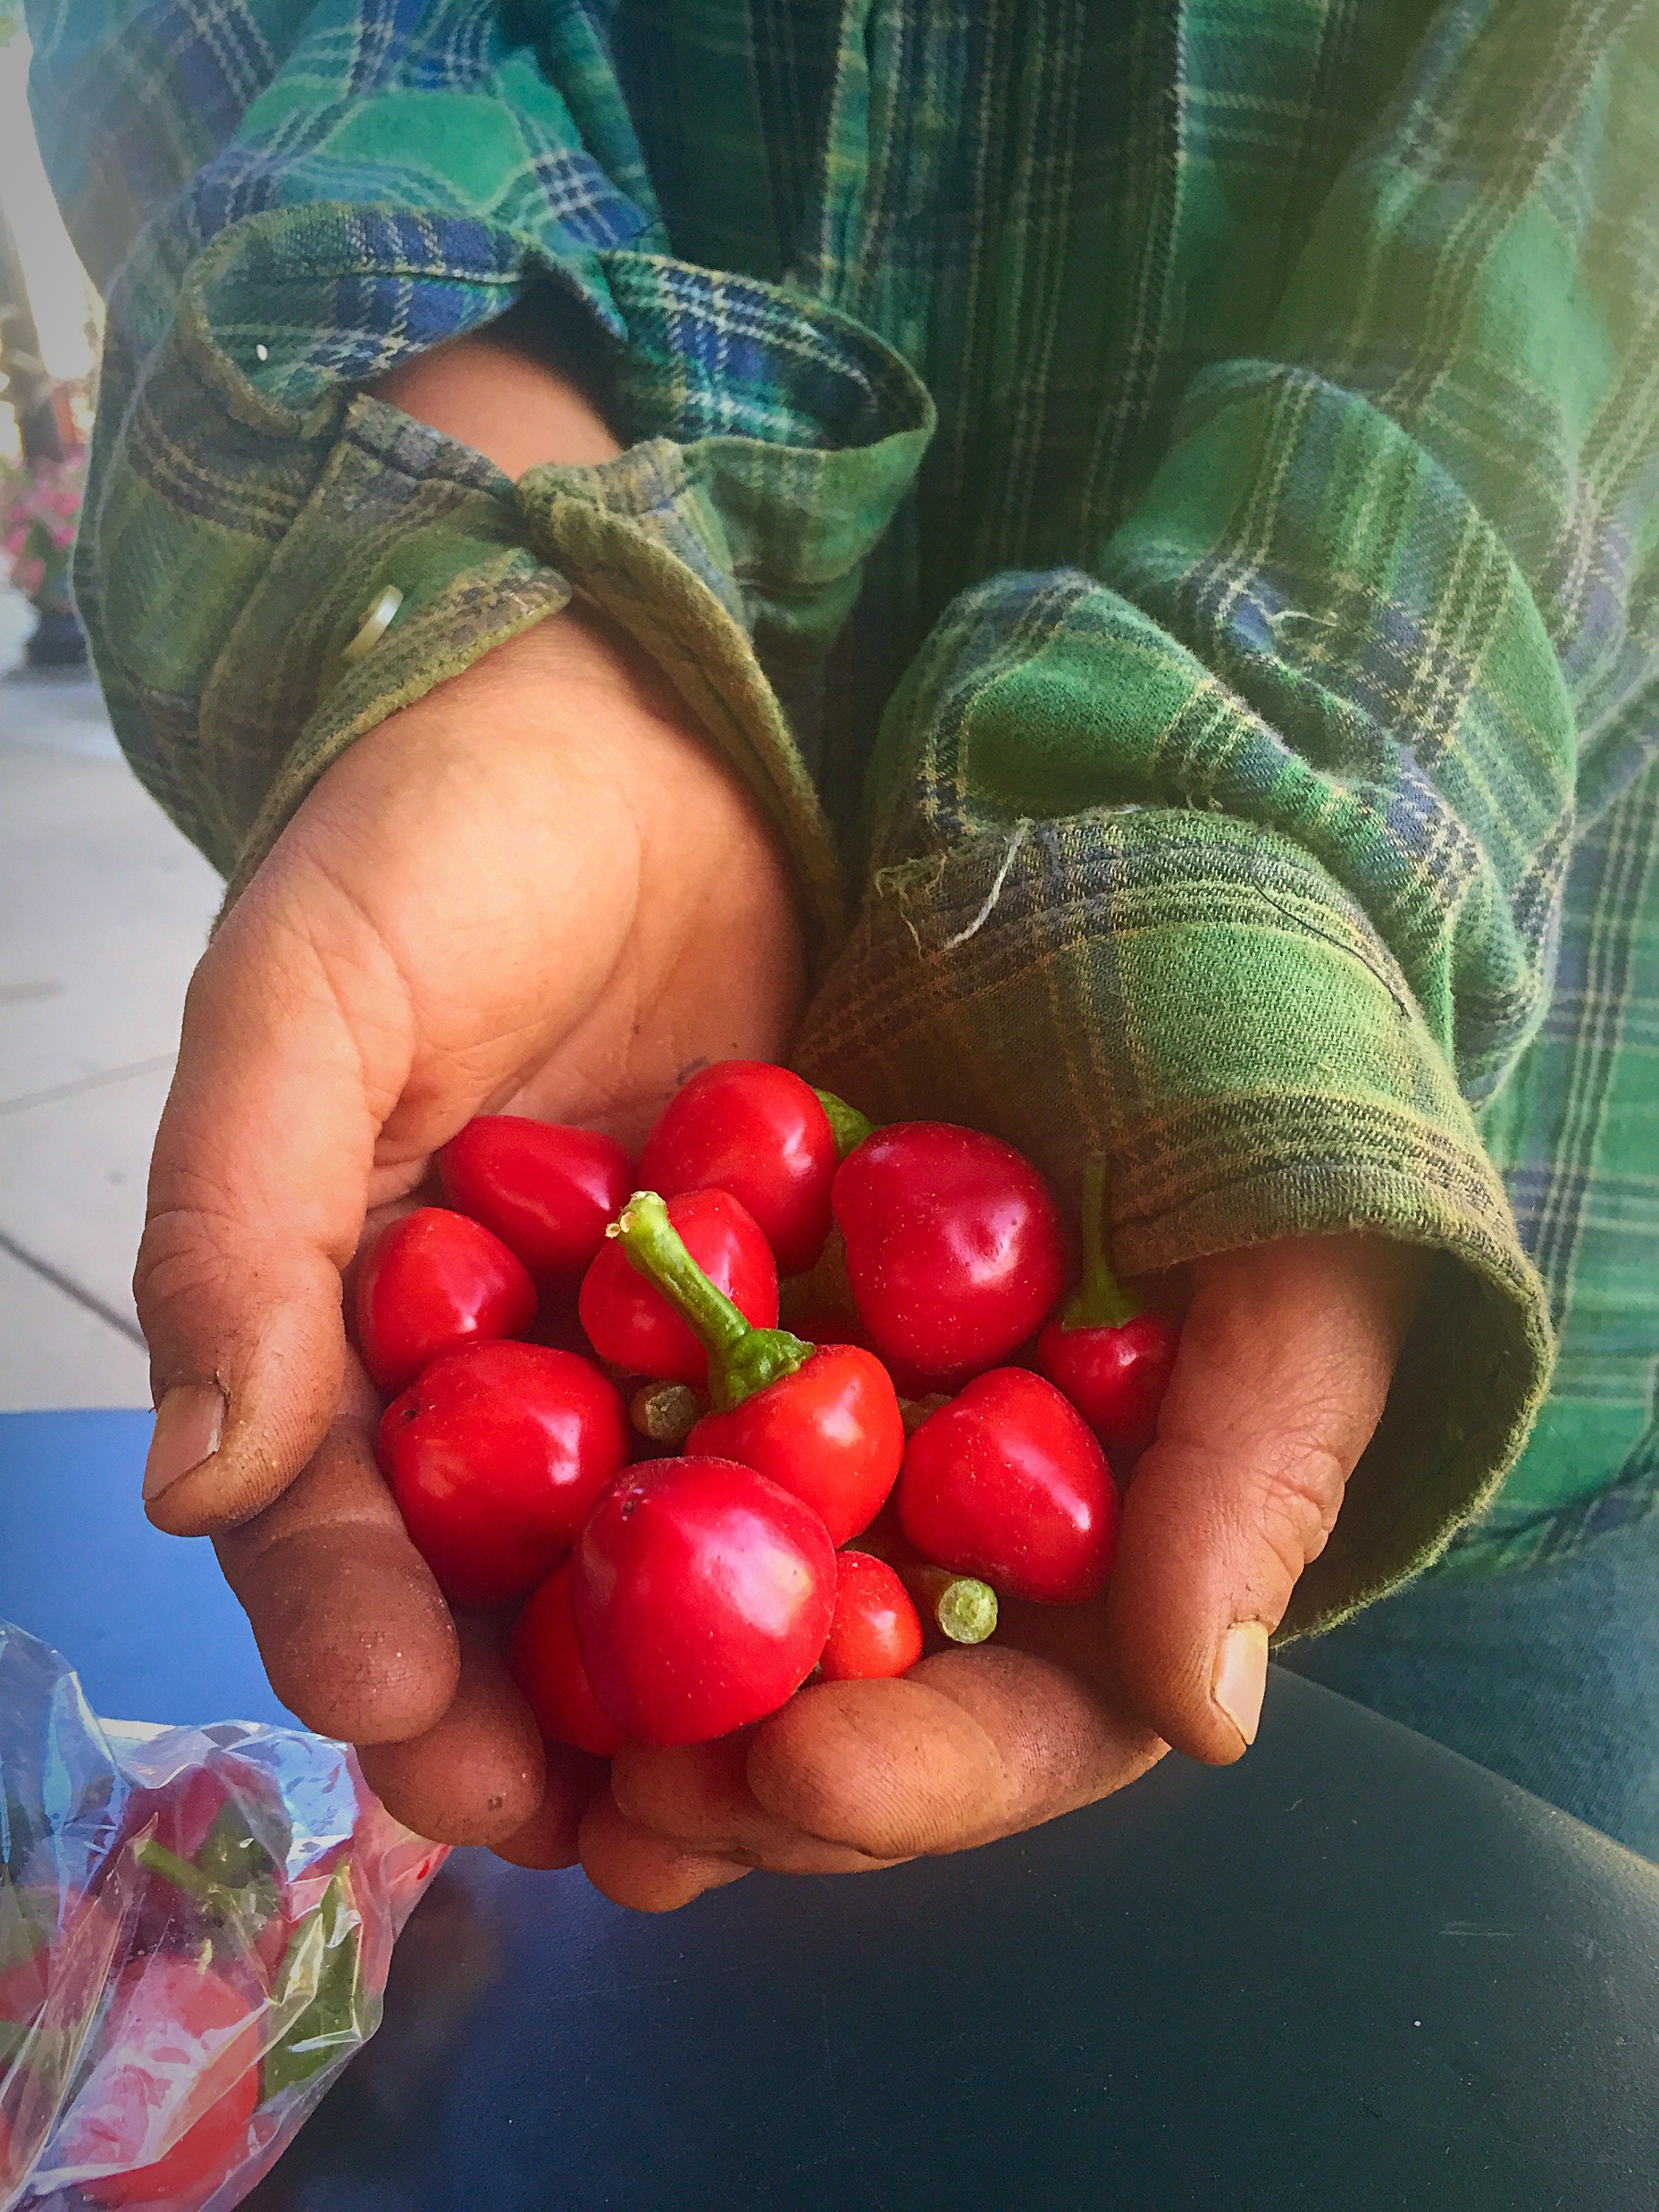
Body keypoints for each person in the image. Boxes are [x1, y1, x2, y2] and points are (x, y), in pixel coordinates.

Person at [23, 0, 1658, 1898]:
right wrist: (499, 545)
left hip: (1524, 1319)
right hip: (653, 873)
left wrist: (1265, 874)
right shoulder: (750, 1348)